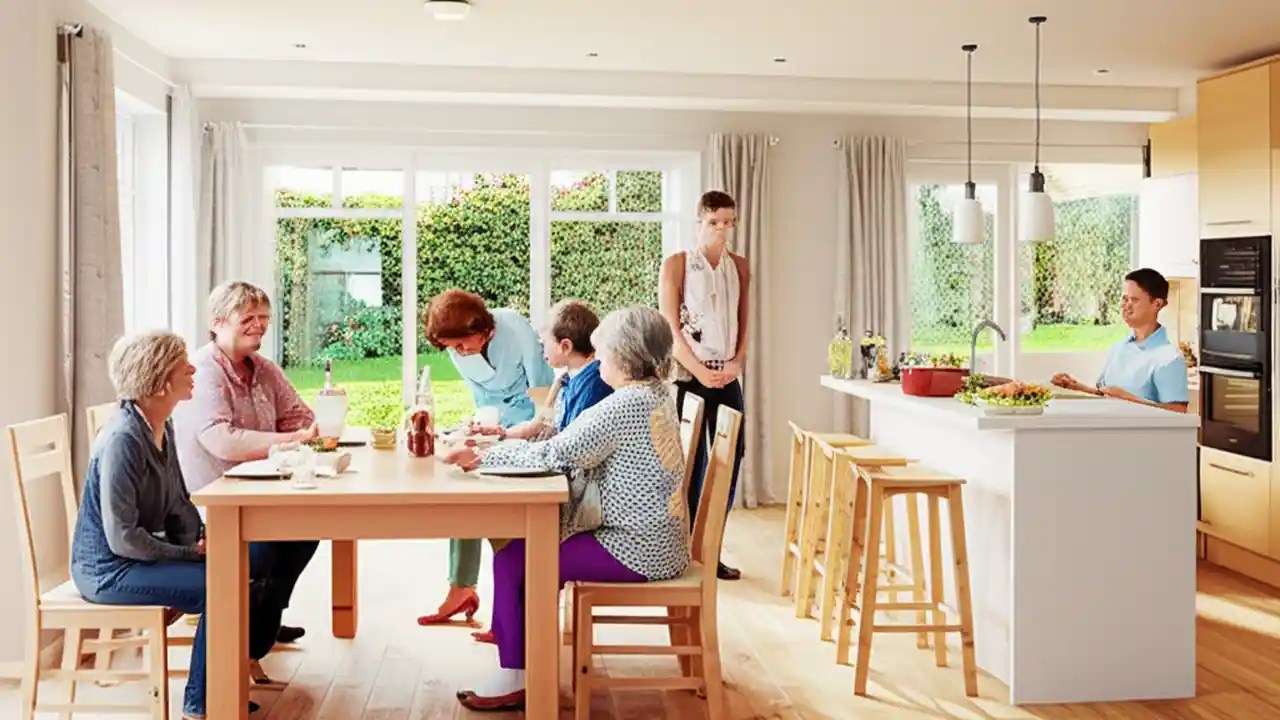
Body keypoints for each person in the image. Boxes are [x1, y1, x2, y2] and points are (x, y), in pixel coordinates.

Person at [440, 306, 692, 711]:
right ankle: (516, 657)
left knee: (513, 561)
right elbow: (565, 443)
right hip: (664, 542)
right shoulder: (656, 392)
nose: (599, 360)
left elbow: (558, 453)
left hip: (635, 549)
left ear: (623, 356)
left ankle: (517, 676)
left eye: (603, 352)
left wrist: (481, 459)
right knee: (519, 554)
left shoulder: (623, 405)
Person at [70, 331, 270, 719]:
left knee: (238, 569)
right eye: (183, 365)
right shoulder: (123, 440)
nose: (193, 367)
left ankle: (218, 689)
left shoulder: (162, 425)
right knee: (222, 585)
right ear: (161, 380)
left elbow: (178, 499)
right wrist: (188, 553)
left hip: (135, 558)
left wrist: (202, 538)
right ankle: (202, 703)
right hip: (108, 570)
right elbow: (122, 539)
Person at [172, 281, 319, 677]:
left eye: (264, 319)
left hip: (257, 495)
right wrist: (288, 440)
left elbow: (301, 416)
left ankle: (261, 620)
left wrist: (299, 430)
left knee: (306, 532)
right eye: (248, 319)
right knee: (268, 550)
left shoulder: (263, 368)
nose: (259, 326)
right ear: (217, 323)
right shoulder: (204, 371)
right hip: (210, 511)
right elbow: (221, 440)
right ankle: (248, 646)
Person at [467, 299, 614, 645]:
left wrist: (500, 456)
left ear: (565, 345)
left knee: (510, 545)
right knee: (504, 535)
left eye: (543, 339)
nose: (538, 346)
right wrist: (500, 435)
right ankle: (508, 628)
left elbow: (568, 449)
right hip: (573, 485)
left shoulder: (591, 385)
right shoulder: (571, 379)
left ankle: (516, 644)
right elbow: (544, 426)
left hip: (585, 502)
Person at [417, 289, 556, 626]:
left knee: (499, 505)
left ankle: (511, 611)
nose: (459, 353)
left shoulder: (514, 328)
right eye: (452, 348)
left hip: (534, 430)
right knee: (464, 487)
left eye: (463, 344)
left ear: (484, 328)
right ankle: (461, 587)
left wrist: (516, 434)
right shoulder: (458, 349)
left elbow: (544, 393)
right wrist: (478, 429)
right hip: (497, 431)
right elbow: (483, 400)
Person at [658, 189, 750, 581]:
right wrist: (697, 369)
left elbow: (745, 323)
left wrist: (736, 363)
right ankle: (681, 546)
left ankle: (712, 547)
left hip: (727, 375)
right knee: (689, 462)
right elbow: (670, 329)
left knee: (732, 457)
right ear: (700, 221)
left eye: (729, 222)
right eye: (715, 222)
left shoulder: (741, 266)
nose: (723, 230)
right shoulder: (677, 265)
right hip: (689, 376)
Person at [1051, 267, 1189, 412]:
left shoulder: (1169, 359)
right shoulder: (1119, 348)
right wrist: (1075, 386)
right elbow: (1106, 395)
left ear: (1157, 304)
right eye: (1124, 299)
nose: (1126, 306)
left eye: (1134, 300)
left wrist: (1129, 399)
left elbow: (1177, 412)